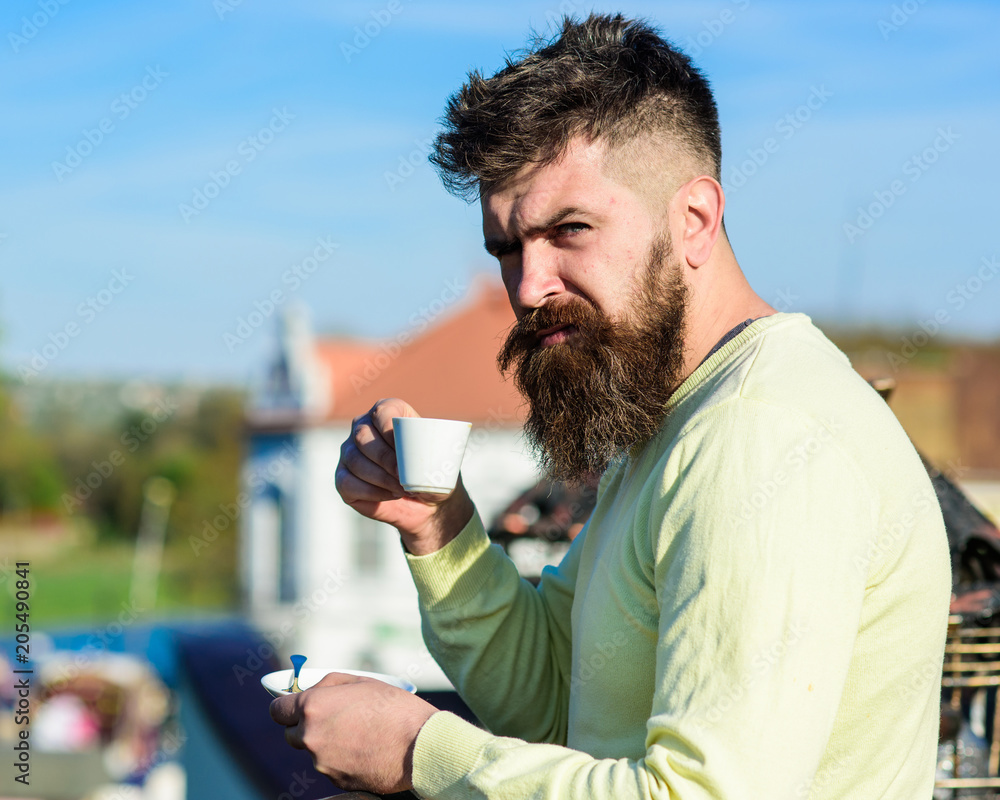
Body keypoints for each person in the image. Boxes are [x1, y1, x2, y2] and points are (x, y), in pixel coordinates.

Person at [270, 13, 951, 798]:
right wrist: (439, 526)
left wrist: (422, 751)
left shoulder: (757, 435)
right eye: (507, 249)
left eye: (571, 230)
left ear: (693, 219)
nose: (529, 287)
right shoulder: (676, 416)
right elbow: (561, 695)